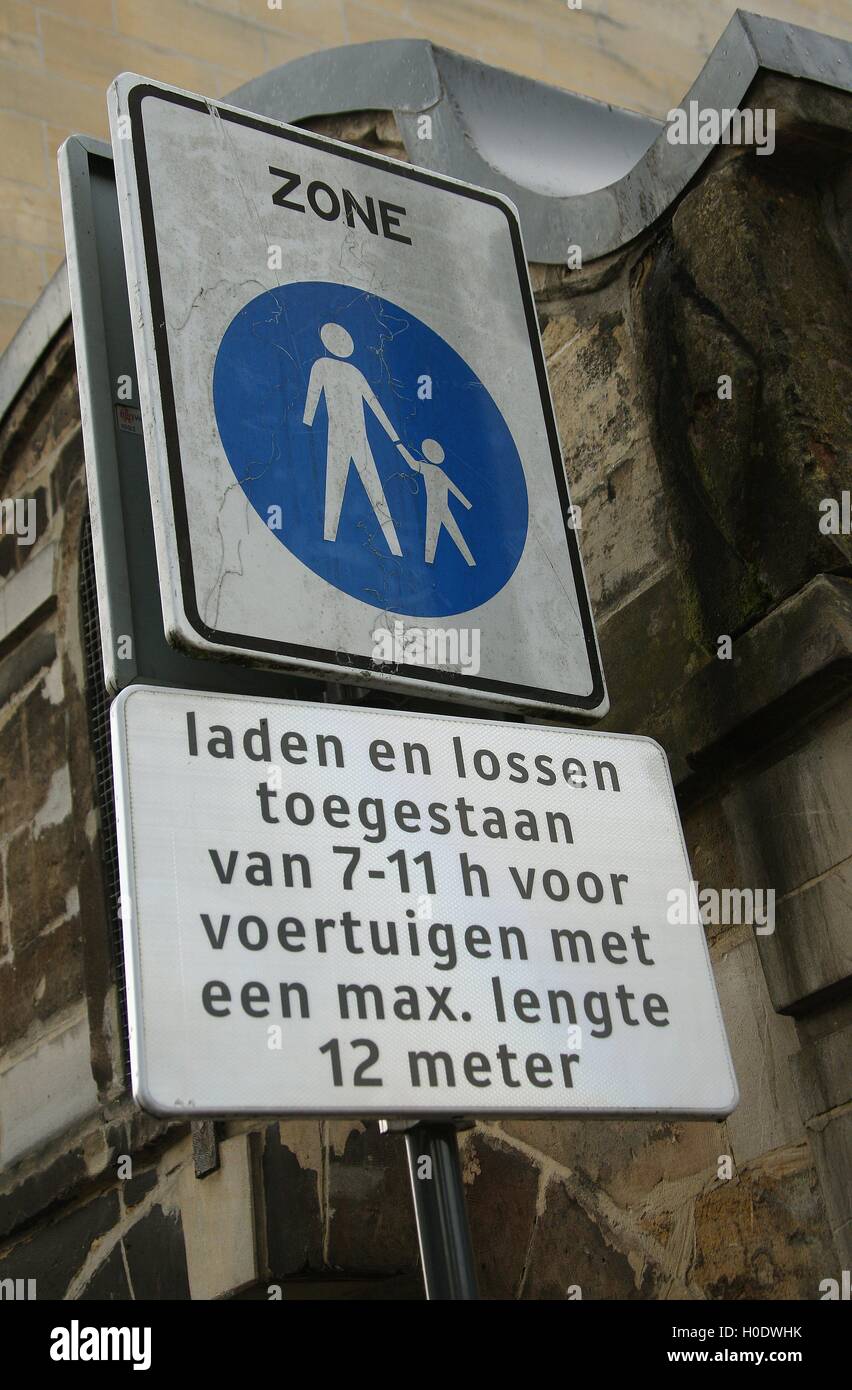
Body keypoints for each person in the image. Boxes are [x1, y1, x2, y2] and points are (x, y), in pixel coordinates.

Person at [302, 322, 403, 556]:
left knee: (373, 488)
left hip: (359, 436)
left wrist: (395, 438)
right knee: (335, 487)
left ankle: (394, 547)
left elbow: (374, 405)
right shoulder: (322, 365)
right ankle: (328, 541)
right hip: (337, 434)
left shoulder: (351, 371)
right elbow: (313, 395)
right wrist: (307, 422)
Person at [396, 437, 476, 566]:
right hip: (441, 507)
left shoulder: (430, 469)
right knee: (452, 534)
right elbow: (454, 489)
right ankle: (469, 561)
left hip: (436, 507)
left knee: (433, 534)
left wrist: (399, 446)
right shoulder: (438, 470)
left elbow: (412, 463)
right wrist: (467, 504)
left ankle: (430, 561)